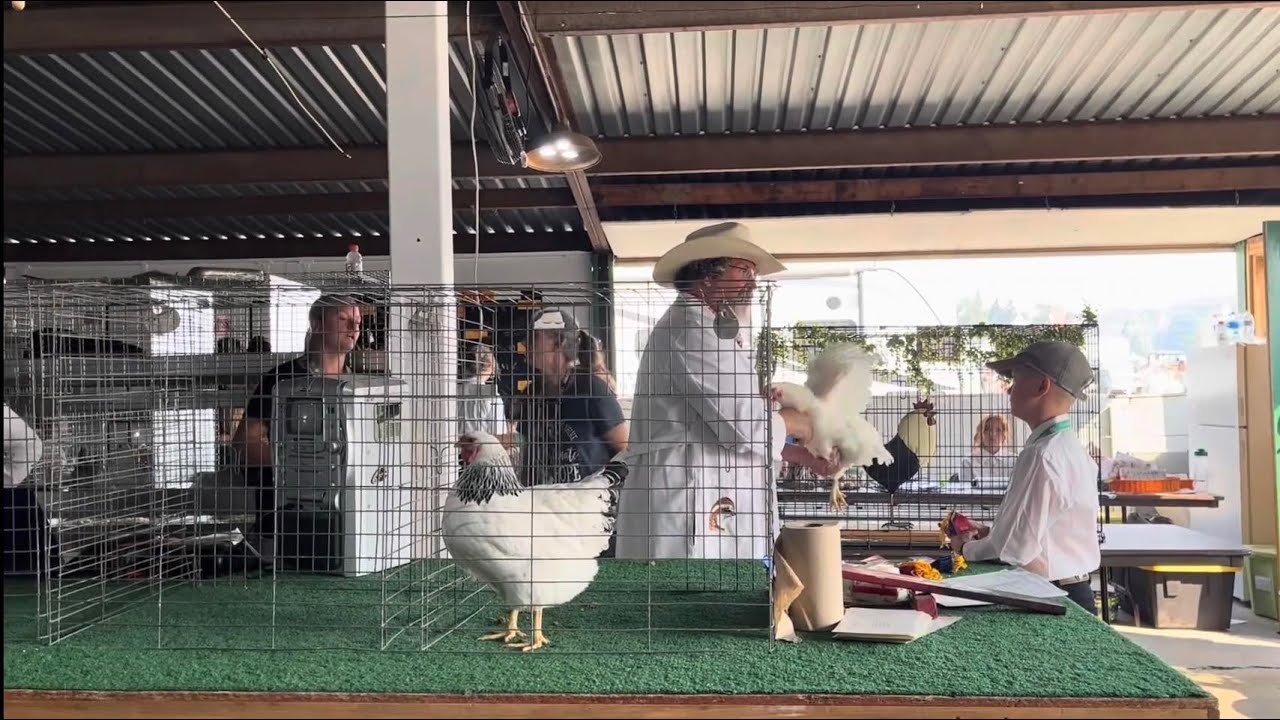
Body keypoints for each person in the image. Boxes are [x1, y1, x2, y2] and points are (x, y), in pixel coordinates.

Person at [614, 221, 931, 561]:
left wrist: (803, 455)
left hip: (705, 501)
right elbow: (744, 428)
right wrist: (806, 424)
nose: (753, 281)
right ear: (708, 276)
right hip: (687, 509)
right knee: (692, 604)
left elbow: (726, 430)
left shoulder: (710, 329)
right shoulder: (693, 332)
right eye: (745, 270)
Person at [950, 340, 1101, 613]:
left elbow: (1013, 550)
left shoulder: (1042, 454)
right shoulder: (1069, 448)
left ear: (1042, 386)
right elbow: (1041, 533)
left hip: (1053, 594)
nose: (1009, 388)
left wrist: (965, 548)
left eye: (1016, 378)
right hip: (1073, 588)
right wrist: (992, 533)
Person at [230, 294, 362, 553]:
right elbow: (246, 444)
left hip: (348, 518)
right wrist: (304, 460)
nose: (353, 328)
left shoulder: (359, 385)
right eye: (343, 319)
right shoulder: (282, 380)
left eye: (357, 321)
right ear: (317, 323)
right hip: (283, 519)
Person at [509, 308, 628, 487]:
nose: (525, 343)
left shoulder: (591, 388)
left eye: (533, 337)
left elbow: (625, 451)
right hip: (542, 504)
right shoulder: (531, 393)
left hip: (587, 506)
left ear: (559, 342)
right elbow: (528, 451)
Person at [457, 344, 511, 439]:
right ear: (490, 365)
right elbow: (498, 433)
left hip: (451, 449)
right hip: (481, 450)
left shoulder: (455, 390)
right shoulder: (491, 394)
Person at [956, 414, 1016, 489]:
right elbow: (966, 491)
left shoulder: (1014, 460)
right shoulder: (968, 461)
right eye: (987, 429)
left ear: (1004, 435)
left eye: (998, 430)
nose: (993, 434)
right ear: (980, 434)